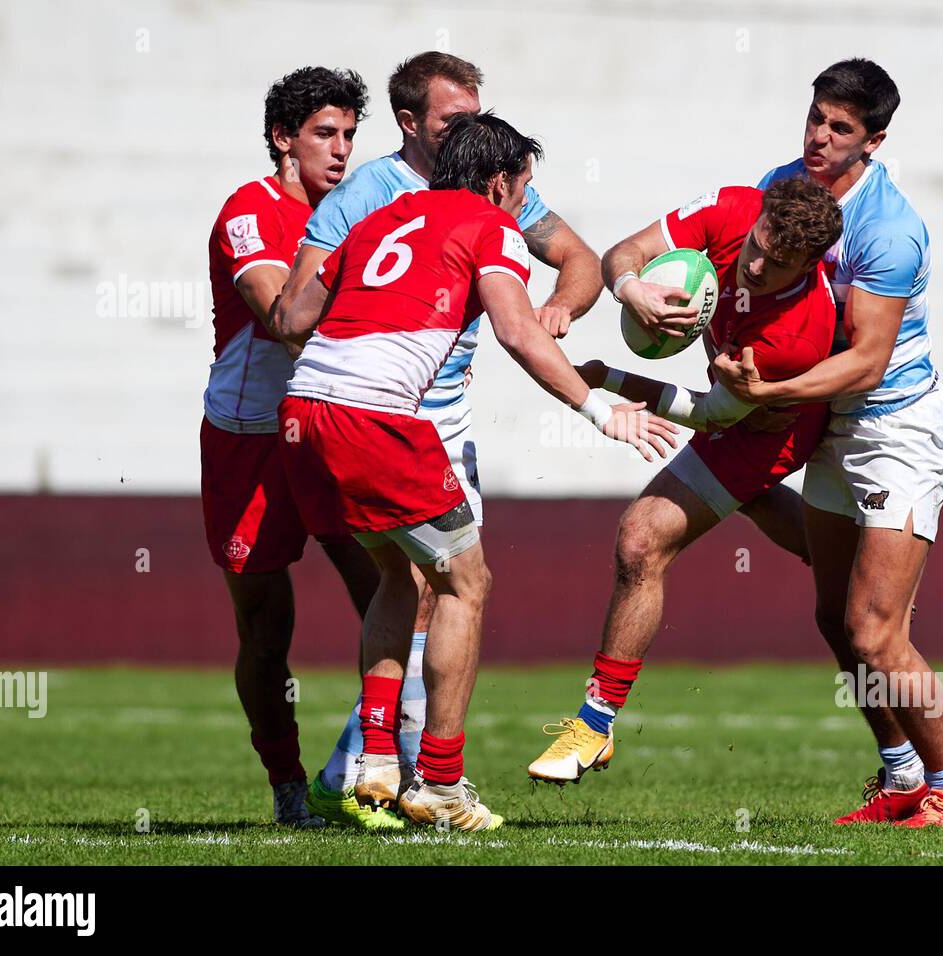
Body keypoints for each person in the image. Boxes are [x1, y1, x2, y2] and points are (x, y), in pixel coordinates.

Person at [271, 111, 677, 830]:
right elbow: (518, 332)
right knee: (468, 582)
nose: (526, 203)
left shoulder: (384, 215)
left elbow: (293, 319)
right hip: (374, 420)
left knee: (402, 577)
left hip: (303, 415)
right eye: (524, 188)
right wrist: (599, 411)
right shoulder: (490, 226)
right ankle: (441, 783)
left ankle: (375, 757)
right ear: (498, 182)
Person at [716, 58, 943, 828]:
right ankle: (901, 775)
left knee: (875, 629)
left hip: (896, 428)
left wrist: (765, 394)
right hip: (829, 423)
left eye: (841, 129)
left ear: (875, 140)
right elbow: (744, 278)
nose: (820, 138)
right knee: (835, 619)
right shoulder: (784, 187)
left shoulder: (889, 226)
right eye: (816, 118)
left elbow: (865, 358)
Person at [527, 178, 841, 783]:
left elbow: (713, 414)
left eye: (775, 268)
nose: (752, 267)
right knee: (747, 502)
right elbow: (627, 250)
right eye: (755, 246)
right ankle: (848, 566)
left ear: (807, 265)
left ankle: (593, 727)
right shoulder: (732, 207)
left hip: (769, 424)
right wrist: (630, 287)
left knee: (642, 539)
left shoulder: (797, 335)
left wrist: (609, 379)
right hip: (732, 403)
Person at [201, 66, 375, 826]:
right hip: (250, 438)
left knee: (392, 592)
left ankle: (377, 763)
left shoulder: (359, 209)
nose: (340, 152)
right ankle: (287, 783)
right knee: (267, 636)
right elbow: (282, 317)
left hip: (329, 428)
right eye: (324, 135)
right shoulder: (250, 212)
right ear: (283, 139)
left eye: (348, 136)